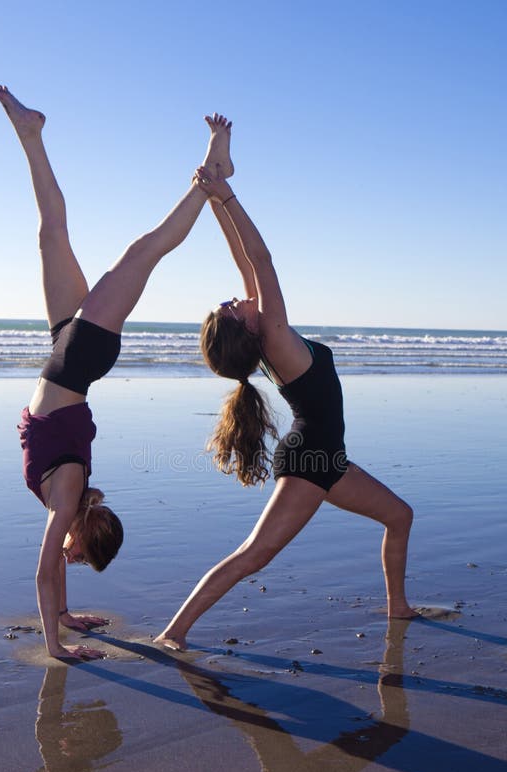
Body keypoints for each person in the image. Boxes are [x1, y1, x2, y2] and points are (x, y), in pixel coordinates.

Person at [0, 84, 232, 660]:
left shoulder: (67, 506)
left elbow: (53, 567)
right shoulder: (69, 498)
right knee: (146, 250)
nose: (69, 558)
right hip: (79, 359)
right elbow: (45, 571)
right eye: (80, 555)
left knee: (51, 231)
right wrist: (58, 646)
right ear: (86, 535)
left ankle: (31, 134)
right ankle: (212, 176)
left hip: (65, 356)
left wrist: (66, 617)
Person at [155, 163, 417, 651]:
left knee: (400, 516)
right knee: (254, 554)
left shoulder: (265, 334)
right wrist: (227, 197)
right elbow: (262, 258)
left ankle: (398, 606)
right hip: (308, 462)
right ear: (245, 328)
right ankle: (173, 632)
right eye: (231, 307)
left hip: (328, 459)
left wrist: (213, 199)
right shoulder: (273, 333)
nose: (236, 299)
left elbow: (244, 259)